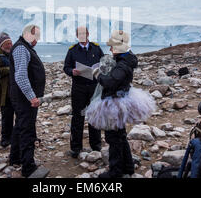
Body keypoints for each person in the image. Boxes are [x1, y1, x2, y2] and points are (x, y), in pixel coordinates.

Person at [85, 30, 156, 178]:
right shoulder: (126, 60)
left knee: (113, 138)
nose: (110, 49)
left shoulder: (123, 64)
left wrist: (97, 74)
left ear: (118, 47)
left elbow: (110, 82)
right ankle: (128, 166)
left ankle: (115, 172)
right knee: (120, 135)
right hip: (121, 100)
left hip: (114, 103)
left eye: (112, 46)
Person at [9, 25, 49, 178]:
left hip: (22, 97)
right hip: (24, 99)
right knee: (27, 129)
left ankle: (15, 157)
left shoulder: (24, 47)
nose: (37, 40)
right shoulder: (21, 48)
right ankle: (28, 167)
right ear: (27, 34)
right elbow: (20, 76)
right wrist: (32, 96)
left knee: (20, 126)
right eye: (35, 36)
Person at [63, 26, 104, 158]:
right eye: (79, 33)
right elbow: (66, 67)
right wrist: (72, 72)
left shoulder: (96, 48)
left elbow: (104, 64)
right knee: (77, 117)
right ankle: (76, 148)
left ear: (87, 33)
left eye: (83, 33)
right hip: (78, 88)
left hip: (93, 87)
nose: (82, 35)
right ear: (76, 35)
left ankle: (96, 145)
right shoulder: (72, 51)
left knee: (94, 115)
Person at [0, 32, 14, 148]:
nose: (9, 45)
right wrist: (10, 69)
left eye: (10, 43)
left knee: (19, 115)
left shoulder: (14, 54)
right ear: (1, 45)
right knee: (6, 116)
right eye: (7, 44)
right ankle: (5, 138)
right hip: (4, 92)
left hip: (15, 92)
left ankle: (15, 137)